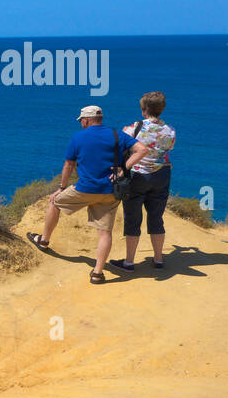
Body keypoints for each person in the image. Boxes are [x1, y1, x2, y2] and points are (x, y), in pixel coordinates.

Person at [27, 104, 150, 283]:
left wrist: (61, 188)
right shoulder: (117, 135)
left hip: (84, 189)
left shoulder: (78, 137)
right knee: (105, 233)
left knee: (55, 202)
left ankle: (44, 240)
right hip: (110, 191)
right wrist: (123, 168)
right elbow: (142, 150)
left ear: (86, 120)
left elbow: (68, 165)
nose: (81, 123)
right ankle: (97, 273)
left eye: (81, 120)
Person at [109, 91, 175, 272]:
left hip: (137, 176)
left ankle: (129, 262)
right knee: (156, 217)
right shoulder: (170, 130)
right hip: (161, 176)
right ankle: (159, 259)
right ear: (161, 109)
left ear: (145, 109)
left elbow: (121, 142)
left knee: (133, 218)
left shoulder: (134, 128)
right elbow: (169, 148)